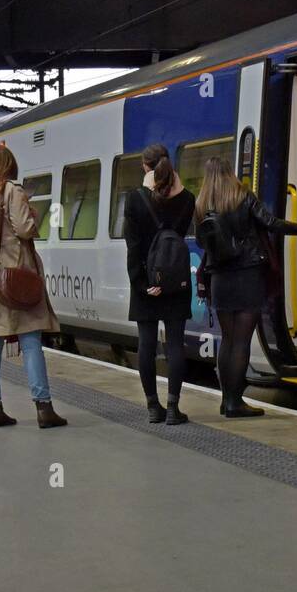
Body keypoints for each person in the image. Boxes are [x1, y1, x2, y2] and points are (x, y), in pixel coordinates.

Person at [194, 156, 297, 418]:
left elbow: (202, 243)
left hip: (220, 278)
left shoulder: (201, 204)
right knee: (242, 341)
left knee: (228, 340)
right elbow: (271, 223)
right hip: (247, 275)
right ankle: (235, 402)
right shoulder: (242, 196)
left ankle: (226, 400)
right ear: (229, 172)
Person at [0, 144, 68, 429]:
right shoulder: (12, 191)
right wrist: (33, 218)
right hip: (14, 273)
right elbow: (23, 229)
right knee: (31, 339)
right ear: (9, 165)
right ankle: (43, 407)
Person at [123, 143, 196, 425]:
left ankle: (154, 407)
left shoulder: (135, 199)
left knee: (147, 344)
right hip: (176, 282)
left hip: (147, 282)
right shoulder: (188, 199)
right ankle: (174, 408)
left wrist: (142, 284)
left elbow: (133, 247)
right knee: (175, 345)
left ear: (145, 167)